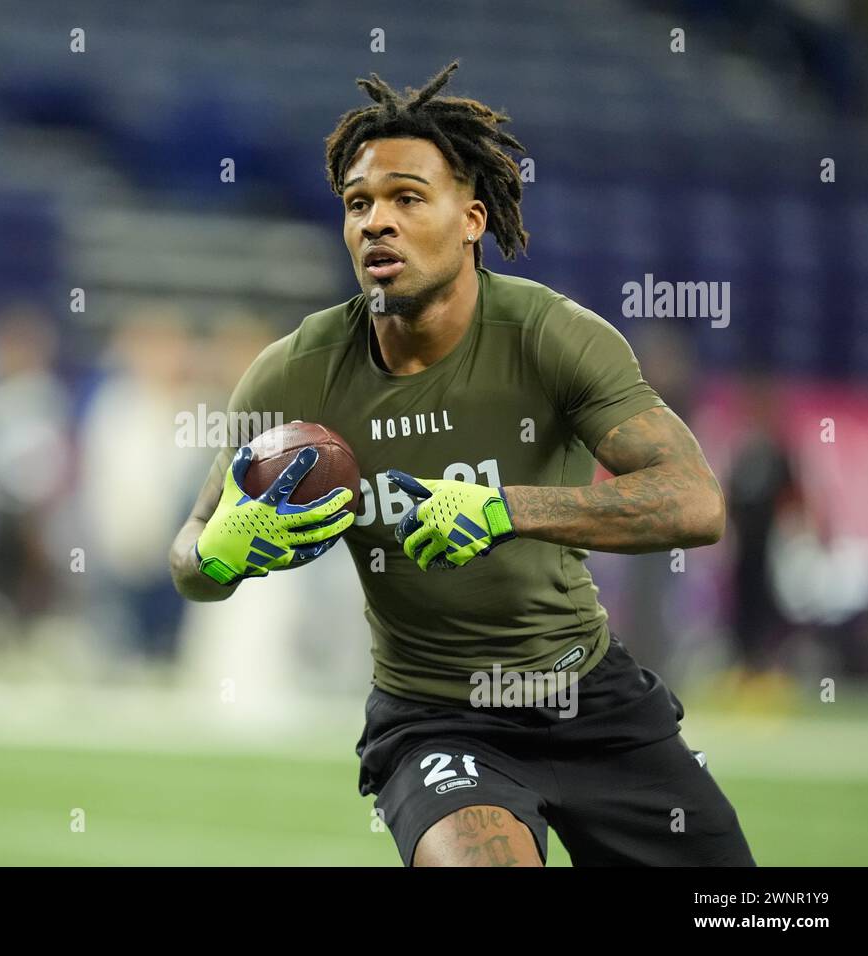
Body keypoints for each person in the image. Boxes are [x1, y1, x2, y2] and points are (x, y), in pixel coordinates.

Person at [168, 62, 754, 867]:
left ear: (472, 218)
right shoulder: (295, 373)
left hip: (591, 697)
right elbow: (191, 554)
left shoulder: (552, 336)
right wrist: (216, 553)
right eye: (359, 204)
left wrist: (504, 510)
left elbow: (696, 503)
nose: (377, 222)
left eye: (408, 198)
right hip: (436, 722)